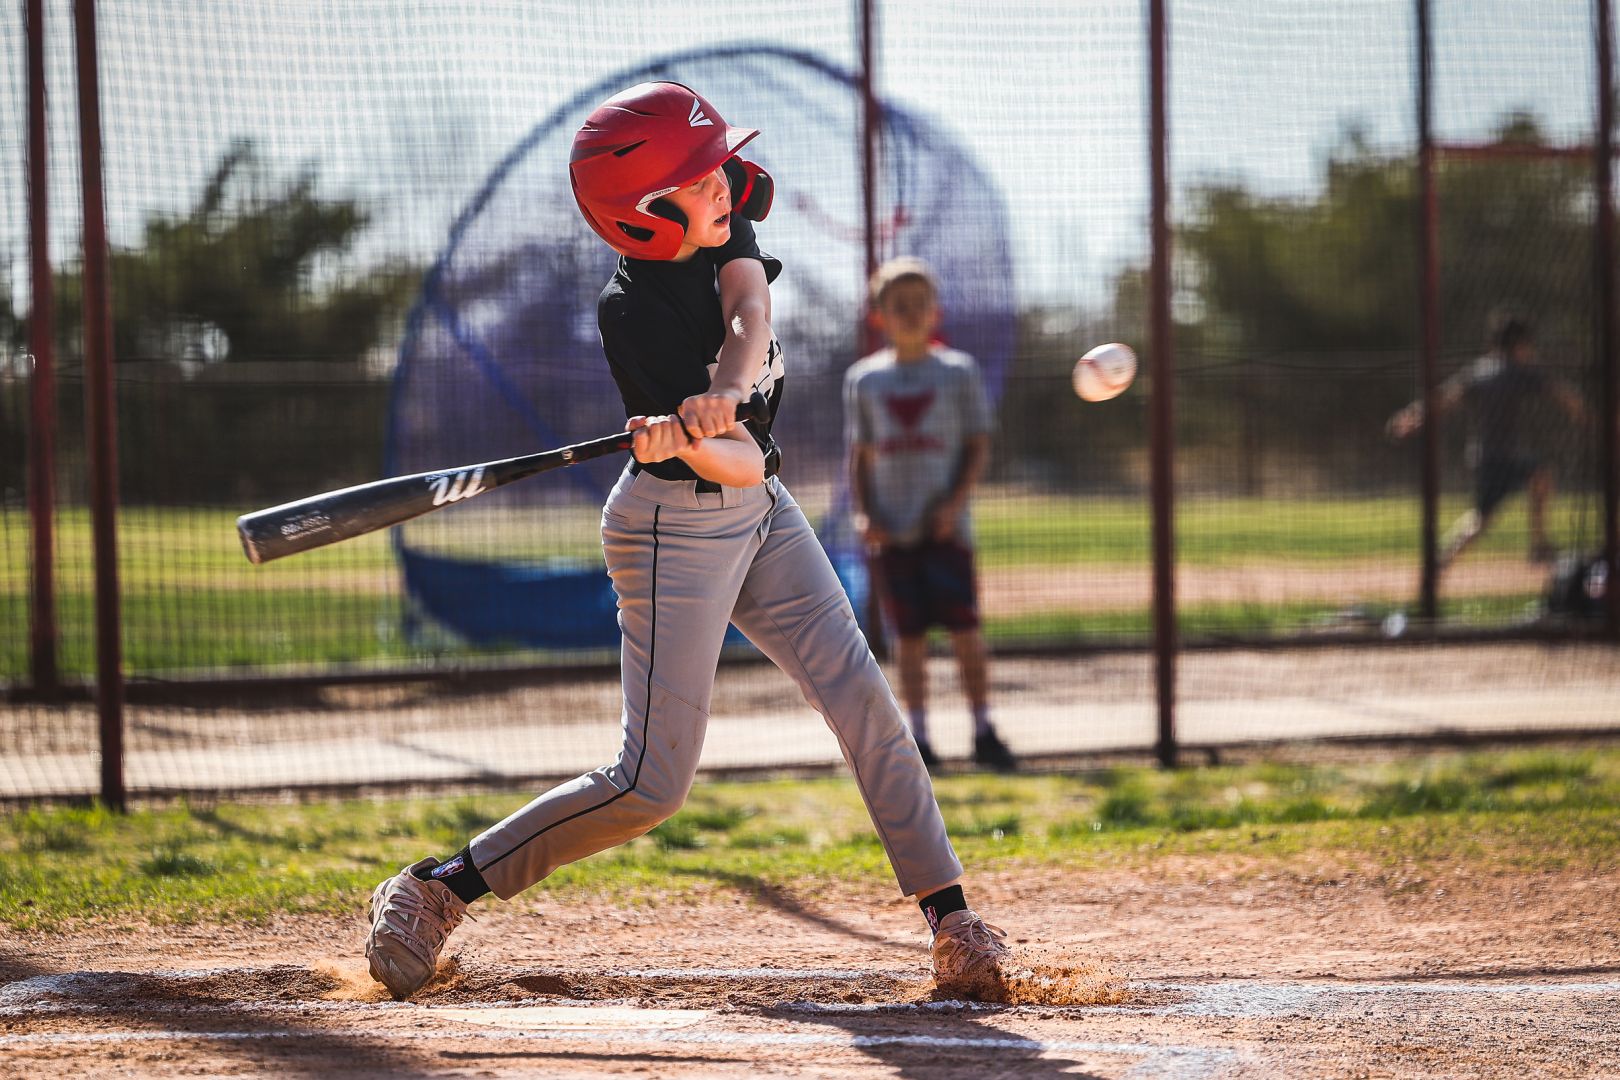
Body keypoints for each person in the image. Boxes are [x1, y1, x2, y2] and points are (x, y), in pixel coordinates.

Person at [363, 83, 1014, 1002]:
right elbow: (733, 462)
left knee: (866, 703)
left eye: (717, 168)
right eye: (698, 177)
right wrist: (696, 438)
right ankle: (440, 886)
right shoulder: (632, 315)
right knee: (650, 785)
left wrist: (725, 392)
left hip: (762, 509)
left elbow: (750, 312)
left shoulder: (721, 210)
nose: (724, 183)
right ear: (642, 215)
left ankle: (953, 920)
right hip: (673, 525)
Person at [845, 258, 1016, 773]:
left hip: (947, 531)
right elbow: (861, 455)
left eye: (921, 304)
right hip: (893, 534)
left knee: (965, 632)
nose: (911, 313)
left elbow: (978, 444)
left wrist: (953, 504)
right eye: (899, 306)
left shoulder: (958, 372)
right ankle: (918, 738)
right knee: (909, 639)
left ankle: (984, 731)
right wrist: (865, 515)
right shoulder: (865, 380)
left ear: (936, 312)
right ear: (880, 317)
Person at [1387, 312, 1585, 574]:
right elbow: (1562, 392)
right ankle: (1534, 547)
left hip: (1487, 455)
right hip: (1501, 456)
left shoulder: (1480, 370)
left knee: (1530, 483)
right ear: (1519, 344)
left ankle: (1444, 561)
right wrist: (1586, 413)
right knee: (1492, 510)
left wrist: (1413, 415)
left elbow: (1444, 398)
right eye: (1527, 345)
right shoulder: (1517, 370)